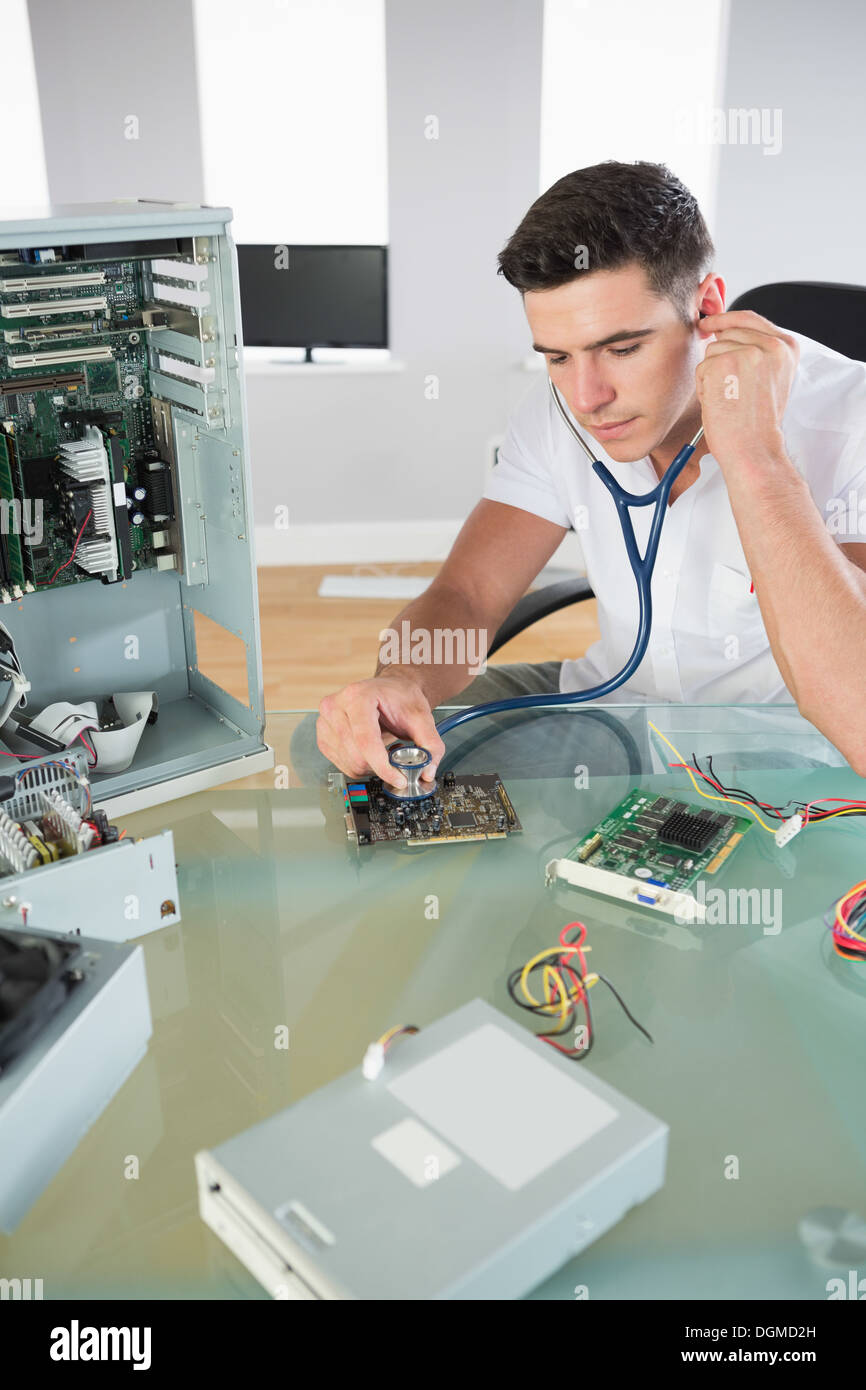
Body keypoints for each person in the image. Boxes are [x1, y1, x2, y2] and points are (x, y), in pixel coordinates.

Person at [310, 160, 866, 792]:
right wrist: (401, 683)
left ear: (708, 307)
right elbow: (468, 594)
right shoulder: (558, 412)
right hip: (610, 711)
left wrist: (756, 458)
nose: (587, 396)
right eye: (557, 356)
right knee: (342, 760)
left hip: (784, 754)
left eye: (623, 348)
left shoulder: (853, 422)